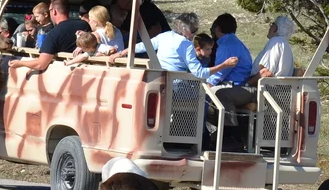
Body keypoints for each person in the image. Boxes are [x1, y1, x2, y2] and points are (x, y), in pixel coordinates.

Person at [109, 12, 238, 77]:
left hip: (159, 79)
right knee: (203, 97)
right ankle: (201, 129)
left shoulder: (165, 36)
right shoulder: (186, 45)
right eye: (193, 31)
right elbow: (199, 73)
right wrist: (224, 65)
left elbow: (142, 46)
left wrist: (120, 53)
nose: (194, 34)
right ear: (186, 30)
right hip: (176, 85)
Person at [206, 13, 254, 150]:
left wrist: (206, 85)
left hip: (235, 86)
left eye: (213, 29)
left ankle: (230, 135)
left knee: (208, 97)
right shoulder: (235, 42)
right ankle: (217, 136)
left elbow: (221, 73)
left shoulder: (227, 45)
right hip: (239, 84)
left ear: (218, 29)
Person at [9, 0, 89, 73]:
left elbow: (41, 64)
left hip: (63, 72)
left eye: (49, 10)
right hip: (86, 68)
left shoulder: (53, 33)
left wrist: (20, 63)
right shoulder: (84, 25)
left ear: (54, 11)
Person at [247, 15, 296, 84]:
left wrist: (247, 84)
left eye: (272, 25)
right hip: (278, 88)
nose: (270, 27)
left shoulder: (276, 42)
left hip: (264, 88)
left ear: (276, 28)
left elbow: (266, 72)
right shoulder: (285, 44)